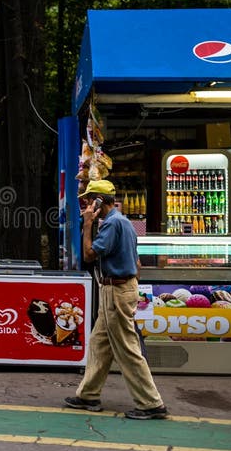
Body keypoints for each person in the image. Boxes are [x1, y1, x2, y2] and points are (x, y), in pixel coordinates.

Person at [64, 178, 168, 420]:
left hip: (116, 291)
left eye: (89, 200)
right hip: (119, 288)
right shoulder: (124, 222)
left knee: (127, 348)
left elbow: (89, 255)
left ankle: (151, 403)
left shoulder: (111, 225)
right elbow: (137, 261)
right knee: (99, 343)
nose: (86, 205)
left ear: (99, 201)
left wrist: (87, 224)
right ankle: (88, 394)